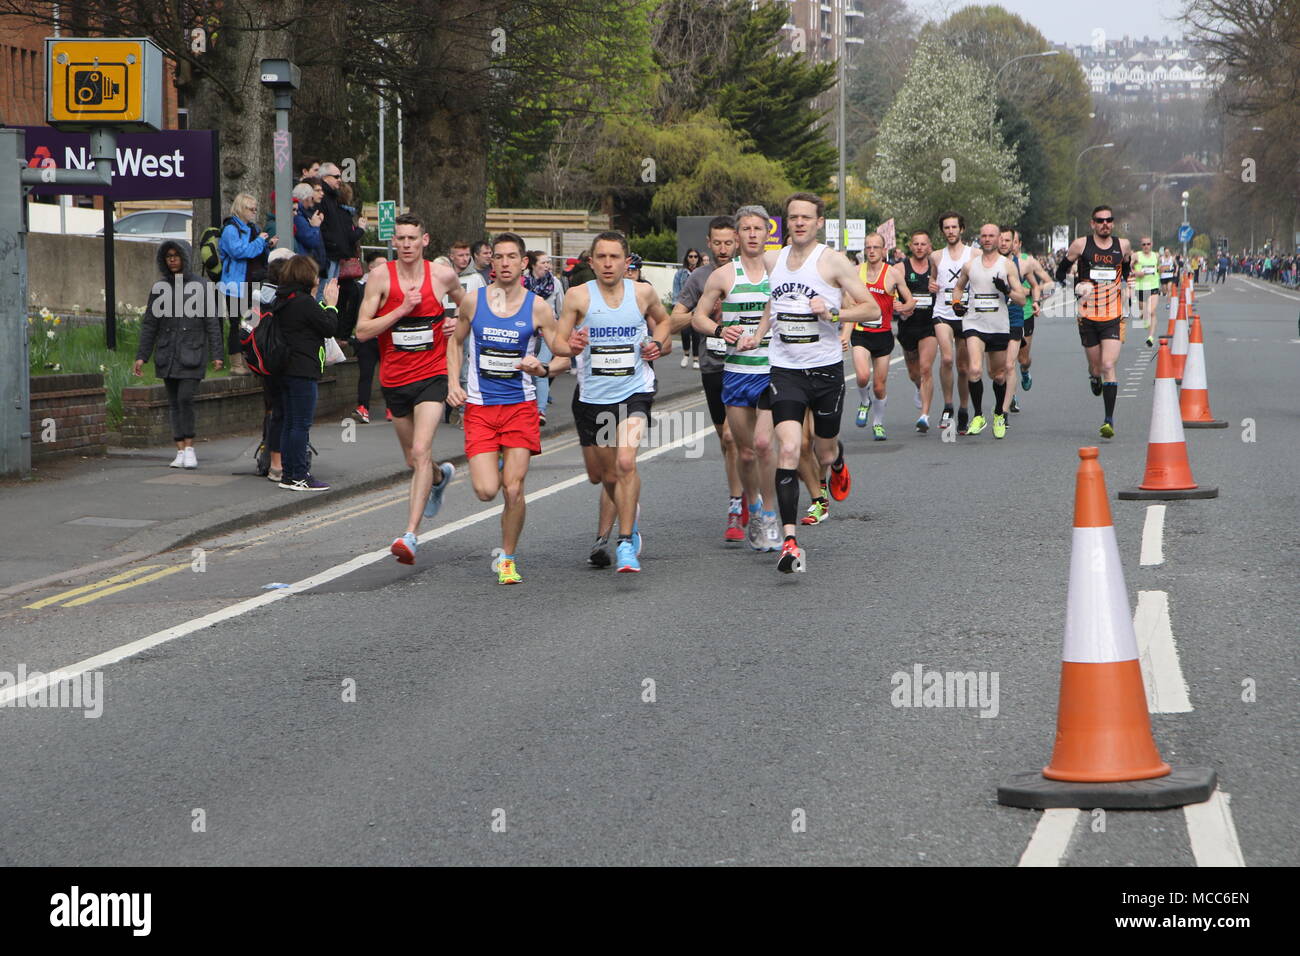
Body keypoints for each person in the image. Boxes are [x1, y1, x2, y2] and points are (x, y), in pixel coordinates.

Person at [738, 192, 879, 573]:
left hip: (826, 372)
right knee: (788, 449)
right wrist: (758, 332)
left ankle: (837, 461)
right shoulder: (773, 259)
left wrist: (835, 312)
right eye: (793, 217)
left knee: (824, 451)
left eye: (806, 217)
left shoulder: (833, 262)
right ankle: (789, 541)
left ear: (819, 222)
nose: (799, 223)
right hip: (785, 371)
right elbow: (775, 303)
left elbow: (871, 308)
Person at [446, 233, 570, 585]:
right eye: (497, 257)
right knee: (487, 490)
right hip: (481, 408)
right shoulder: (473, 301)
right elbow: (454, 343)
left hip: (520, 407)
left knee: (513, 489)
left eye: (511, 257)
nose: (504, 263)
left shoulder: (538, 308)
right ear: (490, 262)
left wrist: (542, 369)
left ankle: (507, 558)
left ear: (523, 263)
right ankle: (496, 459)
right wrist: (453, 385)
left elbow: (562, 354)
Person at [551, 231, 672, 573]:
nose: (607, 263)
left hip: (634, 391)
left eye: (614, 257)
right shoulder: (577, 296)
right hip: (593, 398)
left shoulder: (643, 293)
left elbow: (663, 324)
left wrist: (657, 343)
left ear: (626, 261)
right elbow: (559, 342)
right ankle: (627, 503)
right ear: (591, 262)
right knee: (602, 475)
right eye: (601, 257)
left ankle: (625, 542)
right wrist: (571, 346)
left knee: (625, 463)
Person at [355, 214, 466, 564]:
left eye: (411, 238)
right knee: (413, 459)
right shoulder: (379, 277)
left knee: (421, 448)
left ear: (425, 240)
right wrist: (401, 310)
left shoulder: (443, 275)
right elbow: (361, 330)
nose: (405, 244)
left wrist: (454, 322)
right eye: (400, 238)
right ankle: (438, 475)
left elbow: (470, 307)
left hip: (432, 377)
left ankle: (410, 535)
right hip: (394, 380)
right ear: (394, 242)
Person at [691, 204, 781, 551]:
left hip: (772, 371)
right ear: (738, 234)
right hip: (736, 372)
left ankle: (770, 516)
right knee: (744, 452)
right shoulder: (724, 276)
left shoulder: (779, 270)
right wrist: (719, 328)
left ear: (768, 233)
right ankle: (754, 506)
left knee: (763, 445)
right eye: (746, 229)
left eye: (759, 228)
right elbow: (698, 317)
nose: (753, 234)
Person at [668, 216, 745, 541]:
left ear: (737, 242)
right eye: (718, 242)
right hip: (714, 365)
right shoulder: (699, 277)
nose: (724, 248)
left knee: (736, 438)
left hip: (747, 363)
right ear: (709, 244)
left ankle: (740, 503)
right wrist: (703, 311)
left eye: (730, 242)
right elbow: (674, 321)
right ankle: (740, 496)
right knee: (727, 441)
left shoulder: (751, 272)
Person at [133, 239, 224, 468]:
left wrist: (217, 353)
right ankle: (180, 449)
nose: (172, 259)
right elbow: (150, 324)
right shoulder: (159, 289)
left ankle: (190, 446)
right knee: (173, 401)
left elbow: (212, 322)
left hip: (192, 352)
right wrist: (142, 356)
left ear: (184, 257)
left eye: (176, 255)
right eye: (168, 256)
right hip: (168, 353)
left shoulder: (202, 286)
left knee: (185, 398)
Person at [1055, 204, 1131, 439]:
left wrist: (1126, 286)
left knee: (1109, 365)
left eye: (1109, 220)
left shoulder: (1123, 245)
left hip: (1113, 315)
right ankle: (1093, 377)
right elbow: (1060, 274)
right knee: (1097, 367)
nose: (1105, 224)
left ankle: (1108, 420)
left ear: (1113, 222)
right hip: (1088, 316)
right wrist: (1077, 286)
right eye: (1100, 220)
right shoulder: (1081, 245)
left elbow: (1126, 268)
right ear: (1093, 223)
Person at [950, 223, 1026, 439]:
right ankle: (978, 415)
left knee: (998, 375)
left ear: (998, 238)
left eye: (991, 236)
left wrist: (1007, 290)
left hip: (999, 326)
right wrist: (957, 303)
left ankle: (999, 414)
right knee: (974, 369)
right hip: (974, 323)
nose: (987, 239)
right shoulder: (970, 265)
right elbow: (958, 287)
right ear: (979, 239)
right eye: (983, 235)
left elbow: (1021, 299)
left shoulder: (1007, 265)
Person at [268, 255, 338, 491]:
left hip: (285, 369)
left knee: (290, 423)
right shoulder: (303, 302)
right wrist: (331, 304)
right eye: (315, 274)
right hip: (302, 369)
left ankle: (289, 474)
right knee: (300, 425)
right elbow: (329, 327)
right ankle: (299, 474)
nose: (318, 279)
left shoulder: (283, 299)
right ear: (306, 276)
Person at [852, 231, 915, 441]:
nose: (871, 251)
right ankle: (864, 402)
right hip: (861, 332)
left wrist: (903, 306)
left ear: (883, 250)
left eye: (875, 247)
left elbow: (911, 301)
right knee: (862, 376)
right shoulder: (855, 271)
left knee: (879, 386)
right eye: (867, 247)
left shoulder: (892, 274)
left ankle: (878, 423)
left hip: (883, 335)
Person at [218, 193, 276, 375]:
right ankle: (236, 364)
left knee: (252, 321)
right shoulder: (230, 229)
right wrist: (260, 242)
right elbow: (239, 252)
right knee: (235, 323)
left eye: (255, 209)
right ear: (240, 209)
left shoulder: (253, 228)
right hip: (234, 284)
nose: (254, 212)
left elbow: (256, 253)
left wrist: (267, 245)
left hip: (252, 282)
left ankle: (249, 358)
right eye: (250, 209)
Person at [930, 212, 974, 434]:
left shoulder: (972, 254)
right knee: (947, 358)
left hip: (965, 314)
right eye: (946, 228)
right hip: (942, 312)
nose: (950, 231)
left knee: (964, 367)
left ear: (961, 229)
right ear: (942, 231)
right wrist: (931, 285)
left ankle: (964, 409)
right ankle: (948, 405)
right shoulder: (936, 256)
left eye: (954, 227)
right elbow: (933, 278)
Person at [898, 230, 939, 432]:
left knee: (925, 369)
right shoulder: (900, 268)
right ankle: (918, 387)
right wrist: (898, 306)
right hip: (907, 325)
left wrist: (938, 289)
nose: (920, 247)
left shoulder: (936, 266)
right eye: (916, 244)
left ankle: (924, 415)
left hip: (929, 324)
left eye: (924, 244)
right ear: (911, 246)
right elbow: (888, 292)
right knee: (914, 373)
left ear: (929, 246)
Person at [523, 250, 563, 426]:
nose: (548, 266)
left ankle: (540, 411)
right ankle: (525, 407)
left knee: (541, 370)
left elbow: (561, 307)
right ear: (533, 264)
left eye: (549, 262)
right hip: (526, 332)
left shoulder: (555, 283)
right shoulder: (522, 282)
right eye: (543, 262)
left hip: (547, 332)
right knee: (526, 370)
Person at [316, 162, 368, 286]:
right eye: (336, 177)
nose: (340, 180)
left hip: (335, 253)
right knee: (324, 292)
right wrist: (360, 229)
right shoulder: (323, 199)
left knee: (330, 290)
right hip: (329, 253)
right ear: (324, 177)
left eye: (340, 176)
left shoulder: (332, 199)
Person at [351, 251, 389, 424]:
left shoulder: (391, 286)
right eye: (381, 264)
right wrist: (347, 334)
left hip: (387, 337)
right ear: (371, 267)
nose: (386, 267)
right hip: (367, 338)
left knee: (388, 374)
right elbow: (352, 312)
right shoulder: (359, 287)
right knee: (366, 374)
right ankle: (363, 408)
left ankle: (392, 407)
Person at [290, 182, 326, 271]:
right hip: (304, 262)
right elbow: (311, 240)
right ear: (306, 198)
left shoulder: (304, 213)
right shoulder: (298, 217)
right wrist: (315, 226)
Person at [1132, 235, 1160, 348]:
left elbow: (1159, 267)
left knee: (1151, 311)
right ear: (1141, 245)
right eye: (1144, 244)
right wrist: (1136, 272)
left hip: (1153, 286)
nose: (1146, 246)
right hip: (1141, 287)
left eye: (1148, 244)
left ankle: (1151, 337)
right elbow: (1129, 267)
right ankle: (1144, 319)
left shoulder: (1156, 255)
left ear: (1151, 244)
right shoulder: (1136, 255)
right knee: (1144, 313)